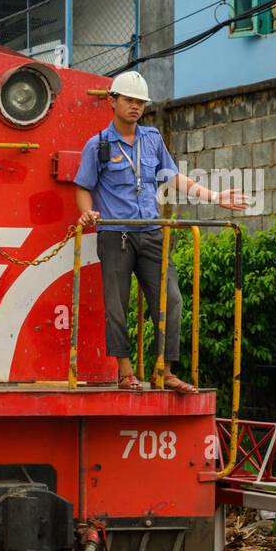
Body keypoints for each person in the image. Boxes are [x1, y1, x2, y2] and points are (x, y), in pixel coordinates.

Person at [74, 70, 247, 393]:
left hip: (152, 233)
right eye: (129, 100)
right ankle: (125, 372)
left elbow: (173, 177)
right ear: (112, 101)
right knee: (116, 305)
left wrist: (213, 196)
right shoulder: (97, 145)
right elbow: (84, 187)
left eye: (140, 102)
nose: (135, 107)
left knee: (171, 299)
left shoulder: (152, 139)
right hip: (116, 236)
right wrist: (87, 212)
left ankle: (164, 371)